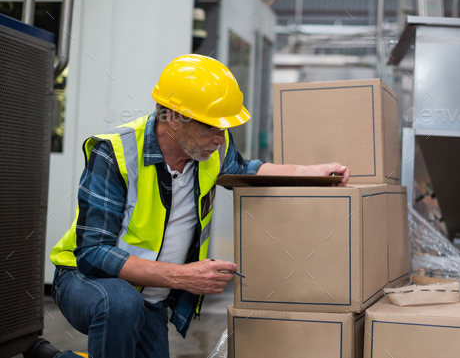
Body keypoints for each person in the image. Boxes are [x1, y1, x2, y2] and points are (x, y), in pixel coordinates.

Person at [25, 55, 349, 358]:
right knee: (122, 304)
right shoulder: (116, 154)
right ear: (175, 118)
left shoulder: (212, 150)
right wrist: (183, 277)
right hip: (85, 281)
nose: (221, 138)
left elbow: (247, 169)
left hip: (150, 295)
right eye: (210, 126)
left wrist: (311, 172)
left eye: (224, 128)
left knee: (133, 313)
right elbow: (93, 253)